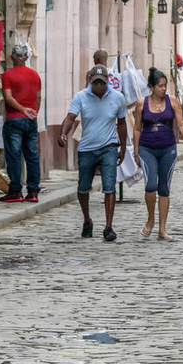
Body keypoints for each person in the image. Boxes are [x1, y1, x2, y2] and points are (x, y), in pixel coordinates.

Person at [59, 65, 127, 242]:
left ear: (107, 82)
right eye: (95, 83)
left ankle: (108, 226)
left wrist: (123, 148)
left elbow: (121, 124)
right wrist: (63, 133)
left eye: (102, 83)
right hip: (87, 148)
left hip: (109, 147)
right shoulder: (81, 97)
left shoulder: (117, 98)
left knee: (109, 186)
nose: (99, 87)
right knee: (83, 188)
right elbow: (70, 117)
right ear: (90, 81)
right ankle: (87, 219)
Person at [132, 66, 183, 241]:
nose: (164, 89)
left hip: (168, 148)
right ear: (151, 87)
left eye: (165, 85)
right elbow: (137, 128)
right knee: (151, 185)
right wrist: (136, 151)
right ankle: (151, 219)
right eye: (160, 86)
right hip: (147, 148)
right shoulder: (141, 104)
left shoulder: (173, 101)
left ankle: (162, 228)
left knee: (164, 188)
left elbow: (181, 124)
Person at [0, 41, 41, 204]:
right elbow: (38, 97)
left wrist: (22, 110)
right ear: (26, 57)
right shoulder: (35, 75)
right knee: (32, 156)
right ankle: (33, 191)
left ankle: (16, 190)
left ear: (11, 58)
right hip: (31, 120)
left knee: (14, 156)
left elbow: (8, 98)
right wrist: (33, 112)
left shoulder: (8, 75)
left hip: (14, 119)